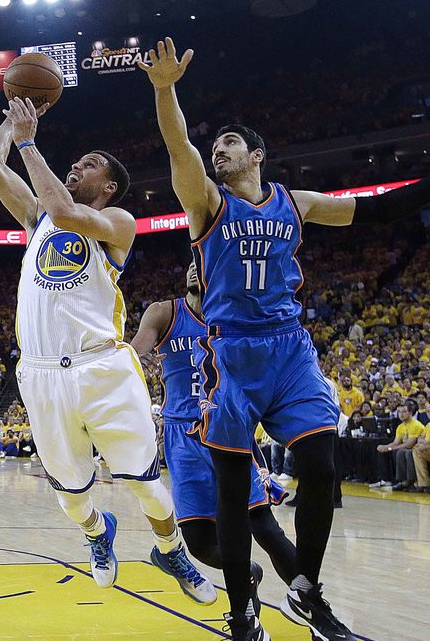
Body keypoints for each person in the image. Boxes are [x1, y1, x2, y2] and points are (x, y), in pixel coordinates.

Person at [138, 36, 430, 640]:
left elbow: (380, 211)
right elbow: (178, 145)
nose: (217, 151)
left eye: (228, 143)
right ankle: (241, 612)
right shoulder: (205, 203)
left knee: (320, 461)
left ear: (256, 154)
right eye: (215, 146)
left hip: (288, 348)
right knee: (234, 497)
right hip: (230, 354)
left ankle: (306, 589)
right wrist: (165, 88)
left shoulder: (297, 204)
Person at [0, 97, 215, 603]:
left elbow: (65, 212)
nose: (75, 165)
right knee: (71, 498)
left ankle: (169, 548)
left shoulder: (119, 223)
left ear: (107, 187)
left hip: (102, 366)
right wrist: (9, 122)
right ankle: (97, 533)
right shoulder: (35, 216)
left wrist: (28, 139)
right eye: (76, 160)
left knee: (147, 484)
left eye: (88, 164)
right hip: (41, 374)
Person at [130, 262, 295, 615]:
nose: (193, 269)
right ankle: (246, 575)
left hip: (227, 428)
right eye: (190, 264)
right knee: (200, 543)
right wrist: (140, 359)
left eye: (202, 264)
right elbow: (136, 352)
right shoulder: (163, 312)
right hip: (180, 435)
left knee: (263, 527)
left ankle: (311, 601)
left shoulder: (241, 316)